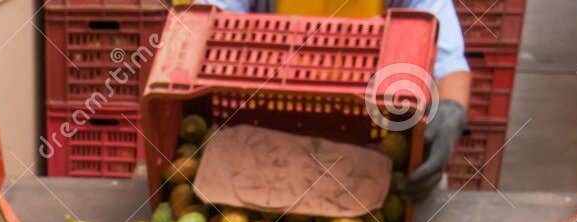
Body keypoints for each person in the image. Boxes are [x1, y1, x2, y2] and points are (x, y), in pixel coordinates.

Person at [200, 0, 471, 196]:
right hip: (270, 127)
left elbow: (447, 59)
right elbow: (206, 27)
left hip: (369, 138)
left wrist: (450, 109)